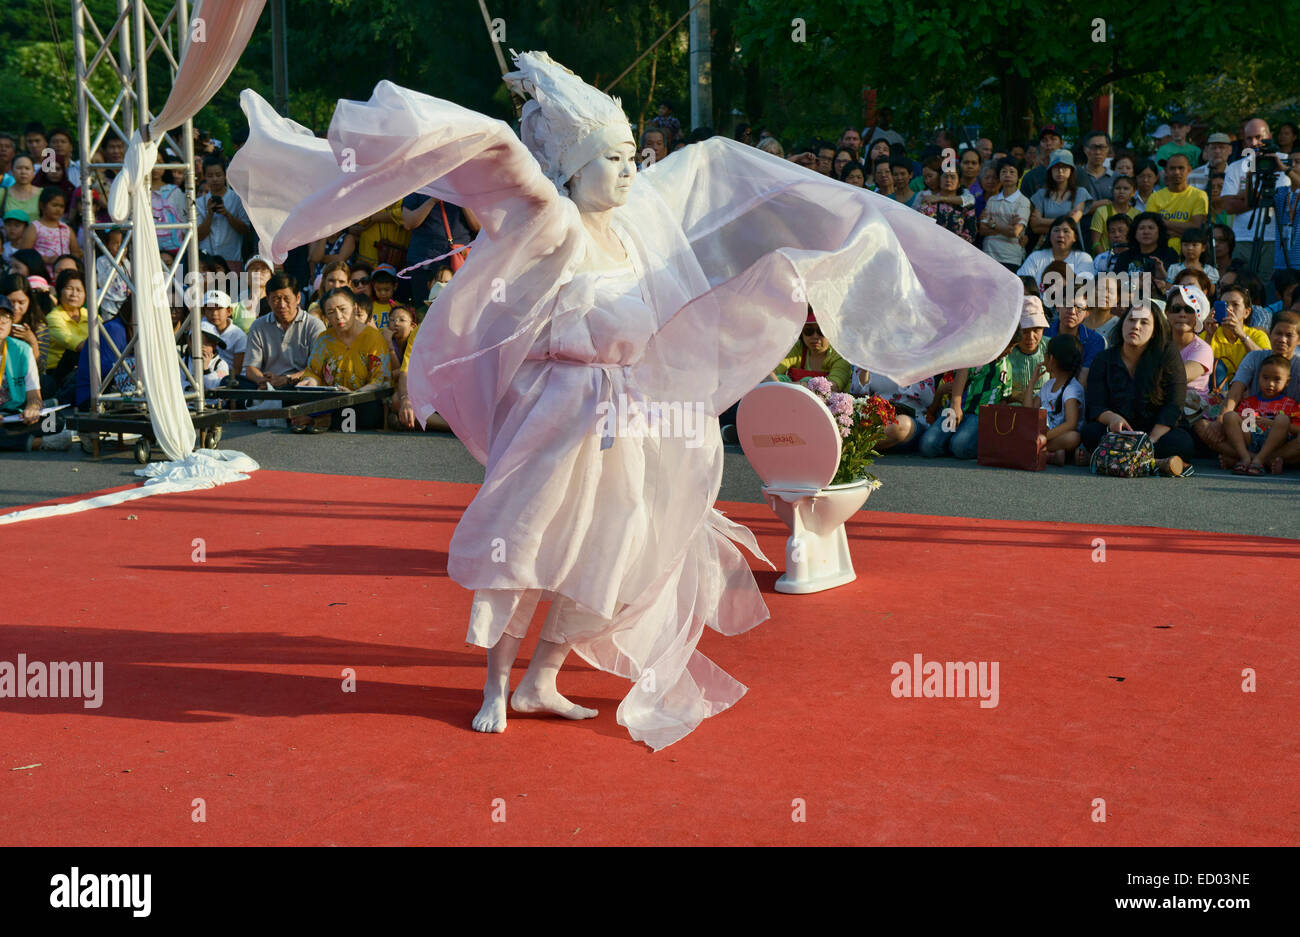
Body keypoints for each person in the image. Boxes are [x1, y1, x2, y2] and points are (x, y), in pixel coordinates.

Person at [231, 51, 1021, 749]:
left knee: (617, 549)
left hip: (626, 416)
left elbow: (721, 179)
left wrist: (837, 228)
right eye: (612, 158)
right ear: (574, 168)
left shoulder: (637, 226)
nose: (630, 170)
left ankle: (543, 675)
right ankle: (494, 686)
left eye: (632, 155)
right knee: (528, 541)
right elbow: (485, 155)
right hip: (557, 410)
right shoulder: (553, 223)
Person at [1081, 302, 1193, 468]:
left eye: (1144, 322)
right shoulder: (1104, 359)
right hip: (1120, 432)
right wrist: (1112, 418)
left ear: (1155, 331)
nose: (1136, 326)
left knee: (1182, 443)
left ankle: (1116, 459)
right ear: (1122, 324)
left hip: (1157, 432)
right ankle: (1153, 463)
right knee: (1090, 433)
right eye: (1131, 320)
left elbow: (1174, 405)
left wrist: (1150, 441)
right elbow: (1095, 405)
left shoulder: (1167, 354)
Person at [294, 286, 391, 432]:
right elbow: (313, 371)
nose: (338, 316)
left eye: (343, 309)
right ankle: (321, 417)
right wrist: (310, 382)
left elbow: (380, 380)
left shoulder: (374, 338)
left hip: (361, 399)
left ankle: (320, 419)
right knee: (296, 394)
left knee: (368, 411)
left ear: (354, 307)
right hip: (330, 398)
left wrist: (353, 395)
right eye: (331, 312)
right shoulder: (324, 339)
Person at [1216, 311, 1300, 470]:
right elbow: (1235, 392)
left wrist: (1276, 424)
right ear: (1269, 334)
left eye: (1289, 335)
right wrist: (1221, 419)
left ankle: (1247, 460)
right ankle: (1259, 460)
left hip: (1285, 434)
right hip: (1251, 430)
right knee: (1209, 425)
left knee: (1284, 422)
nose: (1282, 339)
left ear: (1298, 340)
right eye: (1278, 333)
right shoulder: (1255, 357)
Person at [920, 332, 1017, 460]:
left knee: (960, 446)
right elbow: (962, 374)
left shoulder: (1006, 367)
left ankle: (961, 444)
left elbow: (1004, 398)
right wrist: (955, 404)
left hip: (978, 416)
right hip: (958, 409)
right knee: (927, 445)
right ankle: (949, 443)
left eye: (1013, 347)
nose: (1009, 351)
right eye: (1007, 346)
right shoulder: (977, 357)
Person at [1219, 118, 1291, 284]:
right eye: (1249, 138)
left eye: (1259, 137)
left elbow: (1283, 201)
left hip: (1275, 237)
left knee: (1269, 285)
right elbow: (1228, 206)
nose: (1254, 143)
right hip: (1243, 237)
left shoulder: (1284, 162)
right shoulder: (1236, 167)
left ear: (1269, 136)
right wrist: (1264, 198)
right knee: (1241, 284)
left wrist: (1245, 197)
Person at [0, 296, 73, 451]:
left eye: (5, 317)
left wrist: (32, 408)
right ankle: (37, 443)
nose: (1, 322)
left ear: (11, 321)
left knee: (55, 421)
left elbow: (33, 395)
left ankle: (13, 439)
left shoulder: (22, 349)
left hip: (14, 414)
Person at [242, 272, 326, 390]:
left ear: (298, 298)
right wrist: (263, 381)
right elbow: (251, 368)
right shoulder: (258, 326)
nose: (282, 305)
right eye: (276, 299)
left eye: (287, 299)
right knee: (231, 381)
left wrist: (287, 379)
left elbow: (318, 368)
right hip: (268, 384)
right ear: (268, 300)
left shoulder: (314, 325)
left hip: (298, 384)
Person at [1222, 354, 1299, 474]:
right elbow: (1237, 426)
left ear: (1287, 382)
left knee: (1283, 419)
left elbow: (1296, 429)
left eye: (1277, 379)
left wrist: (1272, 423)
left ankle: (1258, 459)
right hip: (1250, 438)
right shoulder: (1248, 402)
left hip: (1275, 443)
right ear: (1258, 378)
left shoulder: (1290, 404)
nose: (1270, 384)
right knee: (1229, 416)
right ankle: (1246, 458)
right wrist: (1246, 420)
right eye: (1265, 378)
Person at [400, 192, 479, 304]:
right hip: (424, 262)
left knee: (459, 307)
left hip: (459, 261)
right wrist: (432, 200)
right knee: (424, 309)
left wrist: (462, 198)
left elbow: (478, 226)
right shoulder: (420, 188)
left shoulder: (465, 187)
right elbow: (408, 223)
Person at [1024, 332, 1084, 465]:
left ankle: (1039, 450)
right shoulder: (1048, 385)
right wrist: (1031, 383)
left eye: (1045, 354)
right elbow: (1029, 412)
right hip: (1043, 437)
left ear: (1051, 359)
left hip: (1056, 437)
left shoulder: (1072, 389)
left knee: (1074, 437)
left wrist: (1043, 437)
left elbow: (1071, 424)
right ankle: (1048, 455)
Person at [766, 309, 851, 391]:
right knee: (782, 378)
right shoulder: (797, 348)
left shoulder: (840, 354)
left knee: (809, 380)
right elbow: (768, 371)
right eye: (808, 331)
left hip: (825, 404)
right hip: (792, 397)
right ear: (801, 333)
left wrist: (805, 384)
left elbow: (833, 386)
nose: (815, 336)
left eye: (821, 331)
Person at [195, 155, 252, 271]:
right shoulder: (198, 203)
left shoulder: (238, 199)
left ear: (225, 174)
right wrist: (209, 215)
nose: (215, 179)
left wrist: (227, 214)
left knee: (233, 289)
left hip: (231, 258)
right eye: (210, 176)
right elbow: (198, 236)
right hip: (206, 260)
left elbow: (245, 229)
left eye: (218, 175)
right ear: (205, 176)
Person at [1045, 282, 1106, 385]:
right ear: (1058, 306)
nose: (1072, 311)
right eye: (1067, 304)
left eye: (1079, 308)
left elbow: (1083, 382)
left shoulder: (1096, 341)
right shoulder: (1044, 334)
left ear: (1087, 313)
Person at [1145, 153, 1208, 254]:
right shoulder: (1155, 197)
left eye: (1181, 168)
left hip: (1189, 254)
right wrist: (1184, 231)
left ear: (1189, 170)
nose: (1176, 172)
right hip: (1160, 252)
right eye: (1172, 168)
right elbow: (1152, 229)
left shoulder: (1199, 196)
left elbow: (1195, 228)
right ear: (1166, 171)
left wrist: (1164, 223)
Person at [1027, 151, 1088, 252]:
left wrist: (1042, 221)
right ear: (1050, 170)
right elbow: (1035, 226)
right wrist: (1065, 221)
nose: (1060, 171)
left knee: (1068, 268)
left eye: (1064, 167)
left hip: (1072, 250)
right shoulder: (1041, 194)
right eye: (1056, 167)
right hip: (1046, 249)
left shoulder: (1080, 192)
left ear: (1071, 170)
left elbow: (1072, 221)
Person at [44, 268, 89, 401]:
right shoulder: (53, 317)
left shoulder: (90, 315)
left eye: (79, 290)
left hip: (84, 369)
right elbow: (79, 346)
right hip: (60, 374)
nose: (74, 294)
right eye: (69, 288)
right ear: (59, 291)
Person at [980, 157, 1031, 271]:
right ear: (999, 176)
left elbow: (1015, 231)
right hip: (988, 255)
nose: (1007, 174)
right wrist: (1006, 227)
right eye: (1004, 171)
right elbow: (982, 229)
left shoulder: (1023, 201)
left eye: (1012, 171)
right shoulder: (992, 200)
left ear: (1019, 176)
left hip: (1010, 258)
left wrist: (992, 224)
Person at [1112, 212, 1179, 293]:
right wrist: (1135, 284)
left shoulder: (1169, 254)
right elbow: (1115, 283)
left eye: (1151, 228)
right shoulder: (1125, 256)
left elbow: (1176, 285)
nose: (1146, 232)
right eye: (1141, 228)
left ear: (1159, 231)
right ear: (1135, 233)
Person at [1018, 216, 1096, 283]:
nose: (1061, 235)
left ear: (1075, 237)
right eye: (1056, 230)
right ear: (1049, 235)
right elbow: (1023, 284)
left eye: (1066, 231)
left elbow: (1085, 288)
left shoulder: (1083, 258)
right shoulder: (1035, 257)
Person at [1007, 296, 1049, 402]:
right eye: (1025, 331)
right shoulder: (1006, 351)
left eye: (1036, 330)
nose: (1030, 337)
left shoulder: (1050, 347)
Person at [918, 168, 976, 242]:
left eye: (952, 177)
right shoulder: (928, 203)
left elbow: (970, 234)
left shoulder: (967, 206)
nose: (948, 180)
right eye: (945, 176)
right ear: (939, 180)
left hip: (958, 250)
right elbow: (920, 229)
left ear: (959, 183)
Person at [201, 289, 247, 377]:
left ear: (229, 311)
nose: (214, 313)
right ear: (204, 311)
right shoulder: (199, 328)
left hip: (232, 380)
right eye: (209, 309)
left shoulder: (239, 335)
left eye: (219, 308)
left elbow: (237, 369)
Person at [1089, 175, 1139, 254]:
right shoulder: (1101, 211)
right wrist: (1104, 259)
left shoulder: (1137, 214)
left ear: (1133, 192)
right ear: (1112, 191)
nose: (1121, 192)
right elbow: (1095, 242)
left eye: (1126, 189)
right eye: (1117, 188)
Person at [1018, 125, 1063, 198]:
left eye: (1053, 139)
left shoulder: (1075, 173)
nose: (1048, 143)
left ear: (1062, 143)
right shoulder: (1030, 177)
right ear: (1039, 146)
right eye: (1044, 140)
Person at [1078, 131, 1115, 209]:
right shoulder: (1075, 175)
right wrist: (1103, 204)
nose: (1098, 152)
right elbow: (1071, 208)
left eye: (1102, 147)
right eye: (1093, 147)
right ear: (1085, 149)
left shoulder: (1117, 178)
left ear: (1108, 149)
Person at [0, 156, 42, 220]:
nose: (23, 172)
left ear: (33, 172)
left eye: (27, 168)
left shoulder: (42, 194)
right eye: (19, 168)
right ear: (12, 171)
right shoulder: (2, 193)